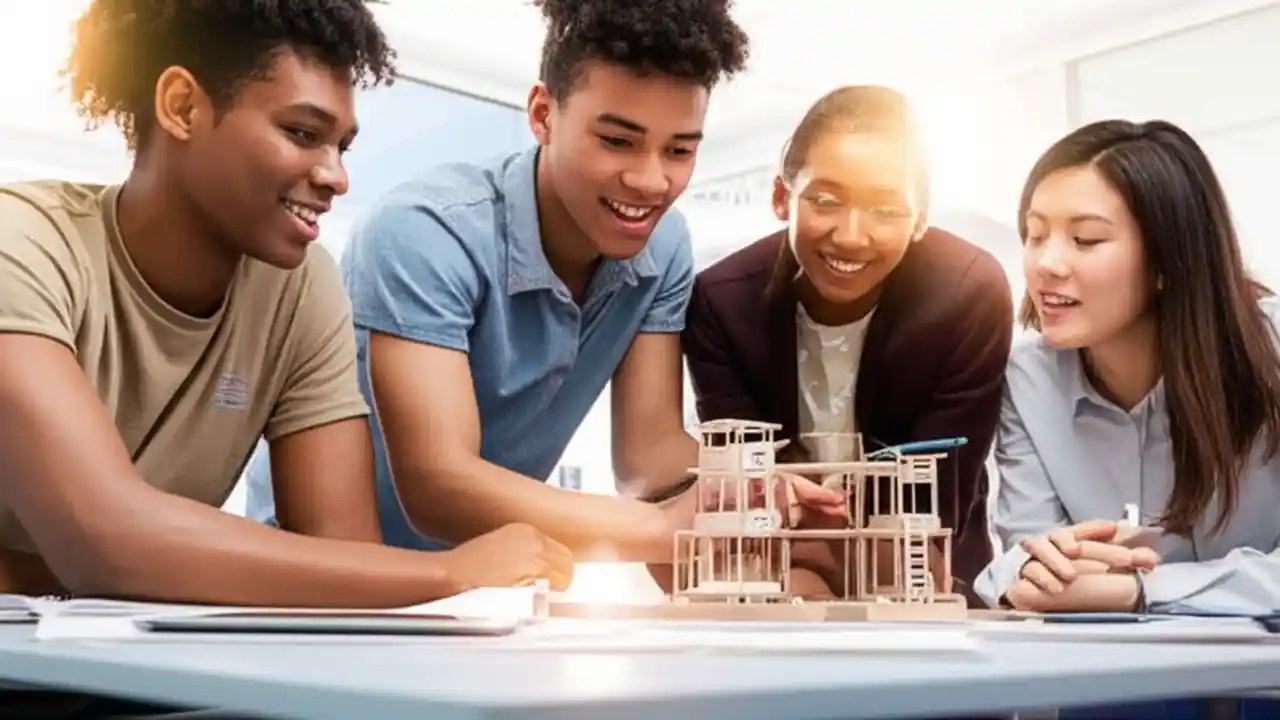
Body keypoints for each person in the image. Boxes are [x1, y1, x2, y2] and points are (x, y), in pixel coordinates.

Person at [0, 0, 572, 607]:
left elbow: (345, 556)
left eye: (342, 147)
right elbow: (104, 540)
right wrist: (451, 573)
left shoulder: (298, 289)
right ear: (182, 106)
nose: (336, 177)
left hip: (116, 669)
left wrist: (44, 569)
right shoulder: (23, 244)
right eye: (302, 133)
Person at [243, 0, 841, 564]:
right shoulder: (425, 233)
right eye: (617, 141)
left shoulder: (666, 246)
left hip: (491, 582)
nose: (650, 180)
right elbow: (438, 487)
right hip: (323, 579)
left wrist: (755, 486)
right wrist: (665, 531)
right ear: (542, 114)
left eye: (680, 150)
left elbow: (648, 459)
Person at [681, 86, 1013, 602]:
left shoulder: (969, 293)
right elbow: (743, 486)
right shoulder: (721, 303)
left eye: (885, 209)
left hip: (925, 576)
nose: (852, 236)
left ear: (921, 216)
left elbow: (938, 498)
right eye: (826, 201)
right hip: (777, 567)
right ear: (780, 197)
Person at [975, 119, 1280, 616]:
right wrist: (1033, 571)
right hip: (1113, 680)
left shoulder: (1270, 347)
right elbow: (1027, 554)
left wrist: (1140, 589)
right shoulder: (1028, 379)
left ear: (1167, 259)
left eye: (1087, 240)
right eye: (1034, 234)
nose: (1046, 263)